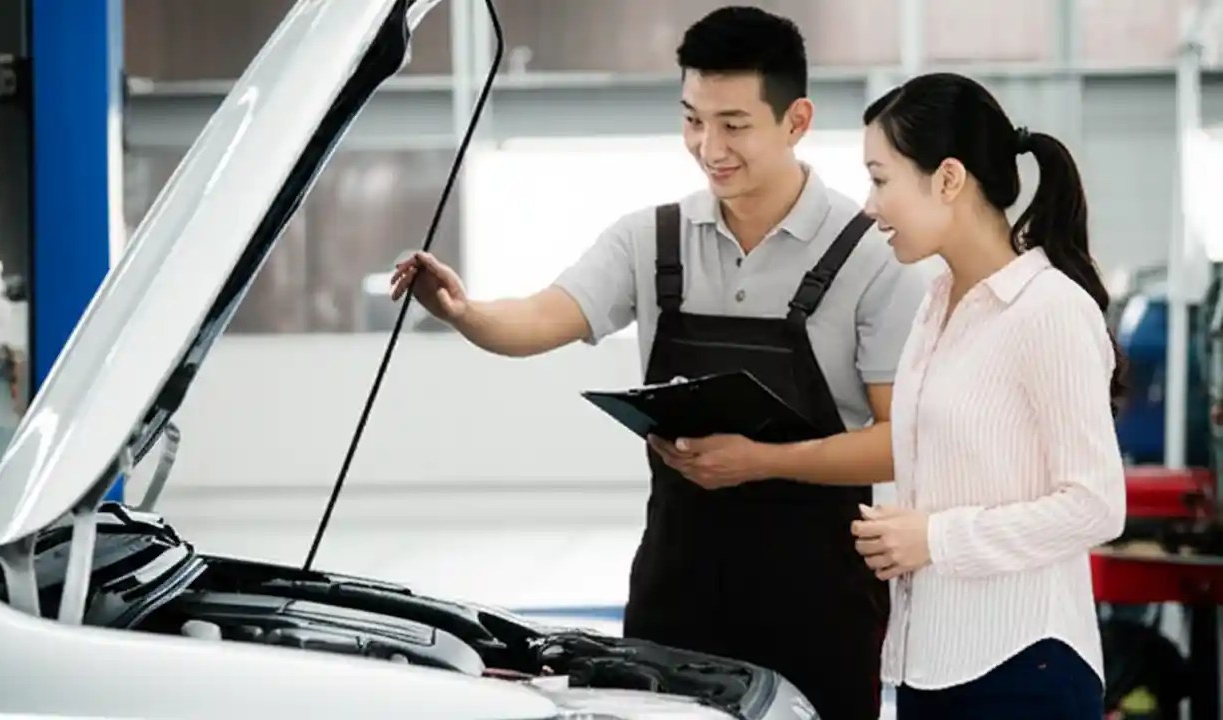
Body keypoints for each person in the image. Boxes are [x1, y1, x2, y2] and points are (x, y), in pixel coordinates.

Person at [391, 7, 928, 718]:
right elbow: (542, 317)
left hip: (820, 603)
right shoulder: (650, 240)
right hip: (677, 595)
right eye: (693, 120)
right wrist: (464, 312)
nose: (710, 147)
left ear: (796, 121)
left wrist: (761, 462)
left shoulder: (872, 257)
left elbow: (898, 442)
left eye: (734, 124)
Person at [849, 71, 1127, 719]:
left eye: (881, 179)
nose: (869, 205)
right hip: (929, 664)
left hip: (1022, 668)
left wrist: (935, 538)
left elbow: (1096, 505)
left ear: (948, 179)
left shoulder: (1049, 308)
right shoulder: (937, 304)